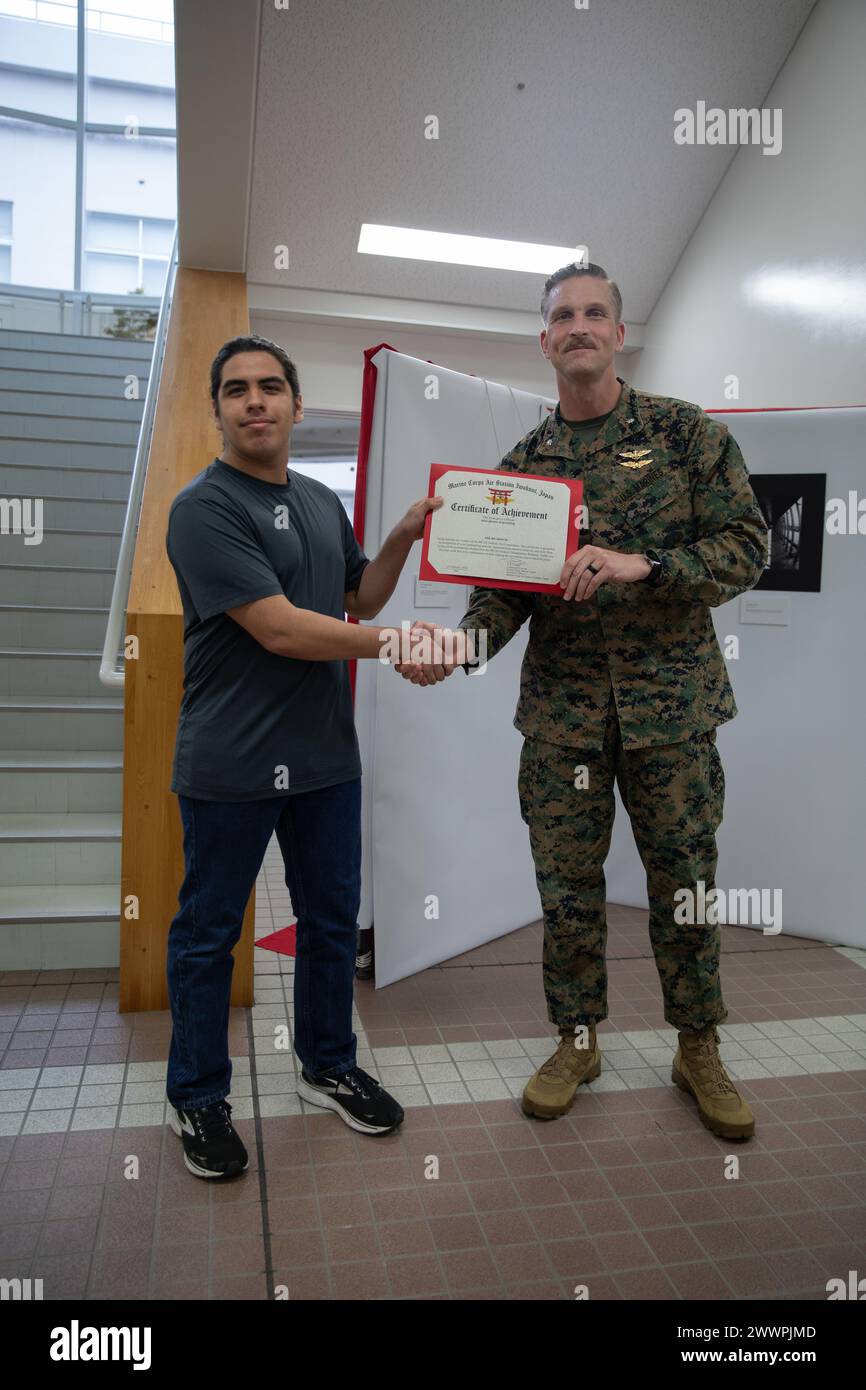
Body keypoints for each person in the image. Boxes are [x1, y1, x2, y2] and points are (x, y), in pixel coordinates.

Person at [397, 263, 767, 1142]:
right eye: (563, 316)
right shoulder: (524, 470)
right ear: (545, 340)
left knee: (686, 885)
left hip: (672, 717)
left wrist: (649, 566)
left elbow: (748, 547)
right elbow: (502, 595)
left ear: (619, 332)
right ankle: (577, 1040)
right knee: (566, 891)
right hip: (563, 722)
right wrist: (458, 646)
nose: (579, 327)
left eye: (595, 313)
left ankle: (698, 1047)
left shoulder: (685, 436)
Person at [164, 334, 445, 1178]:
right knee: (210, 934)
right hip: (230, 762)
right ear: (217, 408)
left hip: (324, 757)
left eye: (272, 387)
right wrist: (394, 644)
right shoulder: (203, 508)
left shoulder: (322, 502)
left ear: (295, 404)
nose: (256, 401)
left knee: (329, 920)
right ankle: (197, 1095)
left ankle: (327, 1063)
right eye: (238, 389)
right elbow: (282, 626)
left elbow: (357, 594)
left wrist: (398, 533)